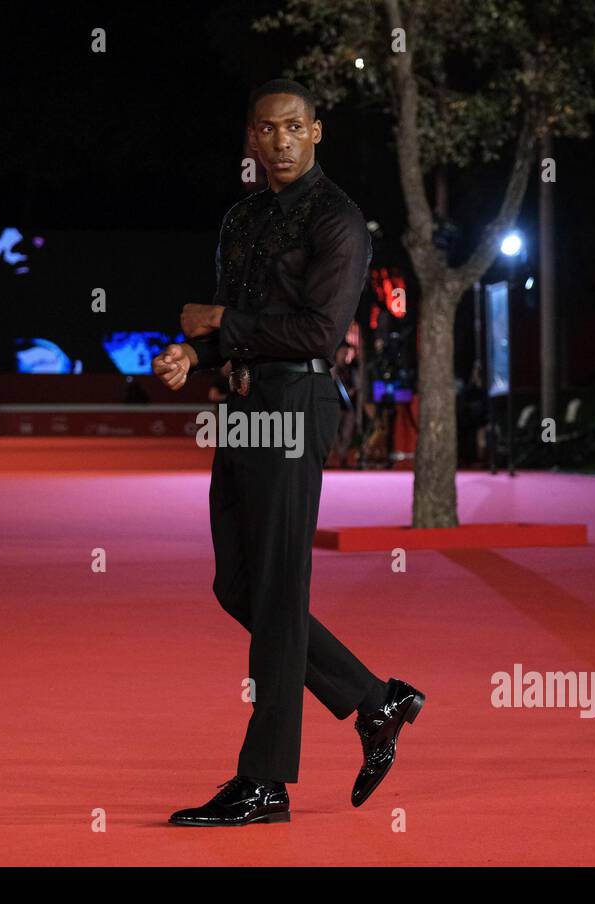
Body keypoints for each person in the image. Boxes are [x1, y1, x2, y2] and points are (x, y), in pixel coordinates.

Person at [153, 79, 425, 827]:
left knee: (275, 593)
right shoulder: (240, 219)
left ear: (316, 132)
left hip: (295, 407)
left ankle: (265, 783)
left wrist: (221, 324)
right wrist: (192, 356)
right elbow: (235, 327)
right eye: (266, 129)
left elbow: (314, 333)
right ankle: (377, 701)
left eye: (293, 127)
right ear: (251, 137)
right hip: (243, 407)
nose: (278, 141)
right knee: (238, 587)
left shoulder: (338, 220)